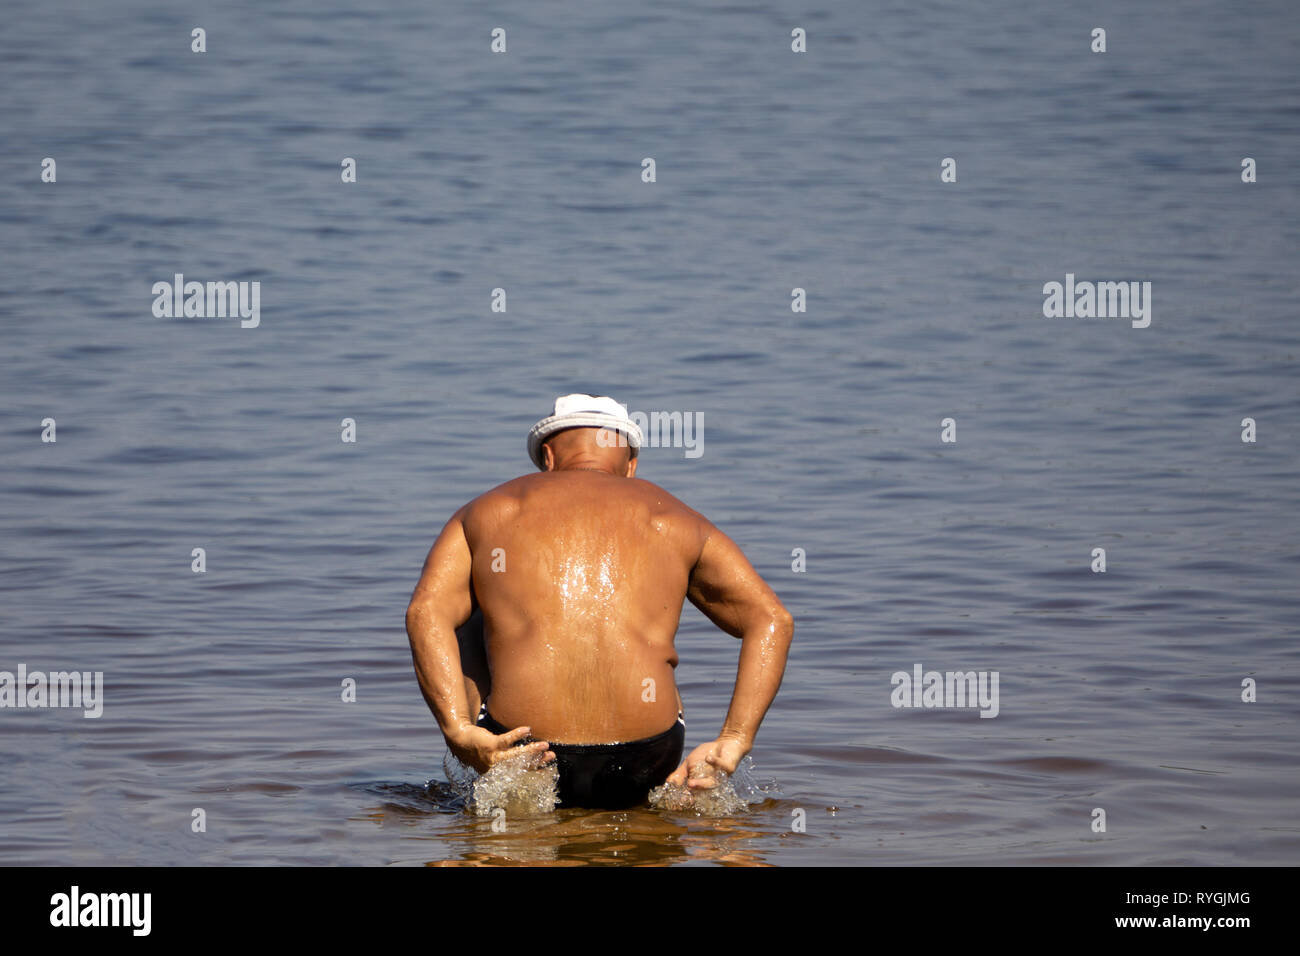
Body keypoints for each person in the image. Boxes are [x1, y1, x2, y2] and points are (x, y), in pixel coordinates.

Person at [405, 394, 793, 809]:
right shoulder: (677, 518)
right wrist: (733, 740)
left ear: (548, 457)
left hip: (522, 752)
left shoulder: (487, 510)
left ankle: (478, 740)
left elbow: (425, 612)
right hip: (646, 755)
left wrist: (457, 730)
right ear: (630, 465)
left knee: (468, 607)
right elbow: (772, 619)